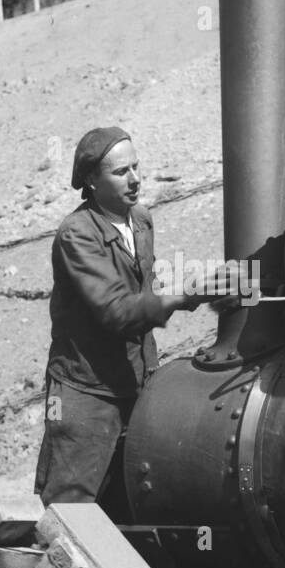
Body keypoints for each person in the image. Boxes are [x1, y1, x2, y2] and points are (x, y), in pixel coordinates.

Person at [35, 126, 201, 505]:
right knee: (71, 514)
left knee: (134, 506)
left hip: (137, 385)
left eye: (137, 167)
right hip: (86, 395)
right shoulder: (75, 235)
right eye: (121, 171)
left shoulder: (140, 220)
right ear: (92, 180)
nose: (136, 179)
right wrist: (184, 296)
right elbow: (116, 310)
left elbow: (140, 290)